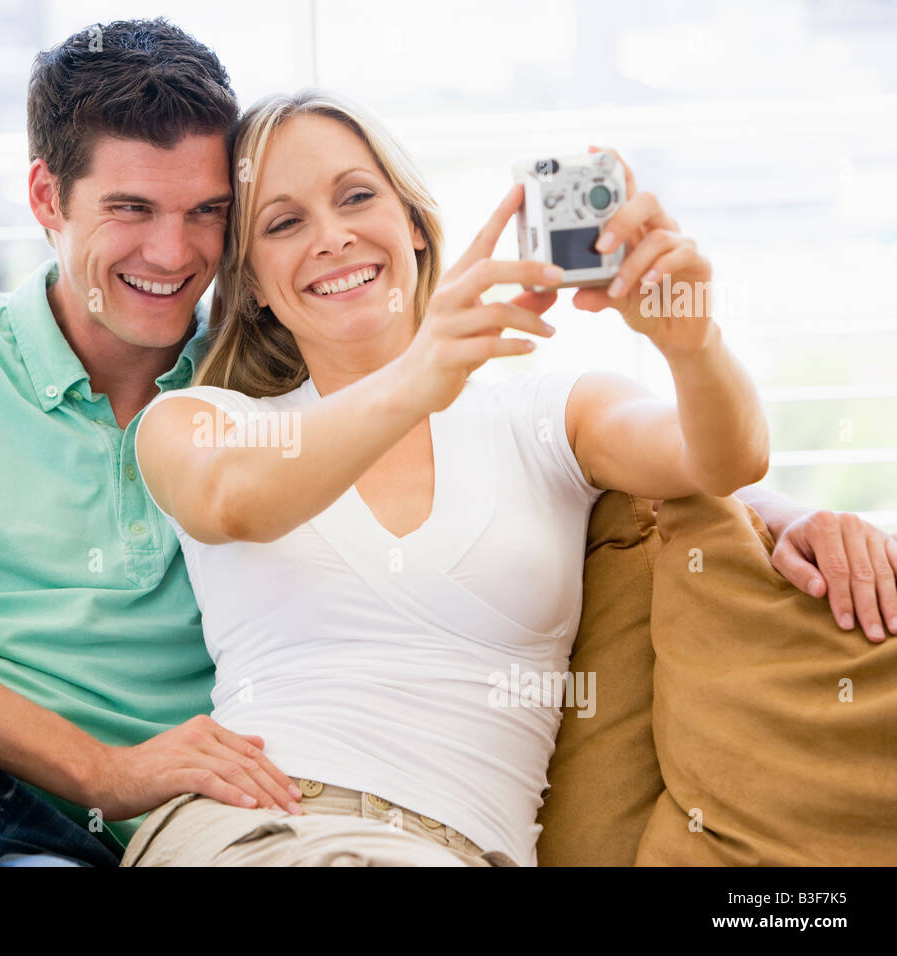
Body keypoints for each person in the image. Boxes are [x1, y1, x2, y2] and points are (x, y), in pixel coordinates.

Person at [0, 20, 893, 869]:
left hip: (105, 842)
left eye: (207, 214)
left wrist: (747, 458)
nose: (171, 253)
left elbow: (653, 462)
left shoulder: (365, 404)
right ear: (47, 199)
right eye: (132, 210)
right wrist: (104, 766)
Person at [121, 88, 897, 868]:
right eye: (284, 223)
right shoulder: (200, 421)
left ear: (416, 230)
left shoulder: (545, 414)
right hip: (257, 832)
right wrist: (421, 374)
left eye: (357, 197)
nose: (332, 236)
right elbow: (234, 500)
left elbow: (724, 458)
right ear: (251, 282)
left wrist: (691, 341)